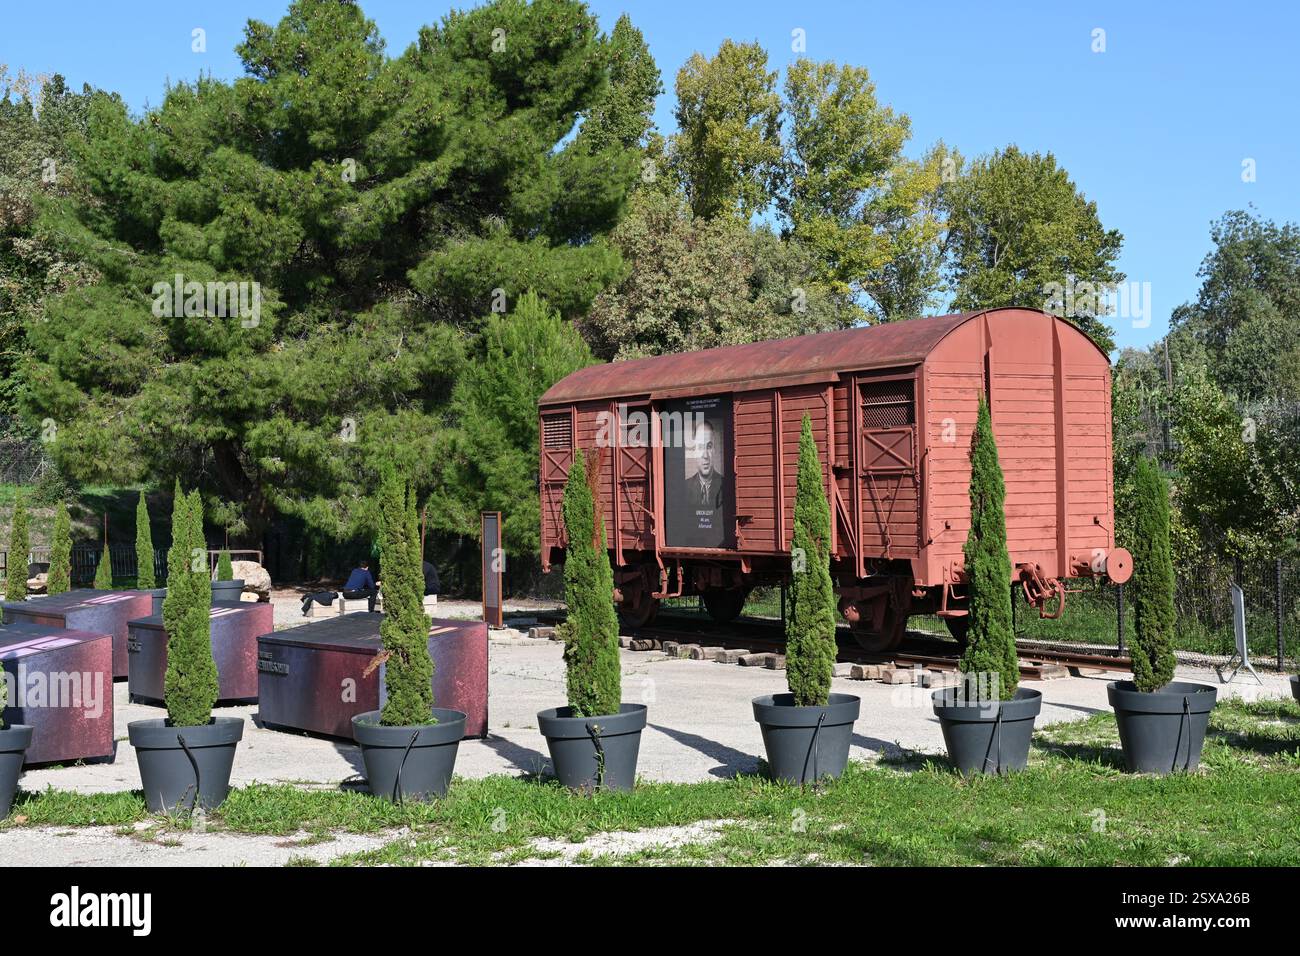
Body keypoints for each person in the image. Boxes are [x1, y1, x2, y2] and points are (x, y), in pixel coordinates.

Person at [687, 419, 723, 509]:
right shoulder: (685, 487)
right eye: (700, 447)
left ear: (714, 450)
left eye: (709, 446)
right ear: (694, 452)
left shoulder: (725, 484)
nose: (705, 455)